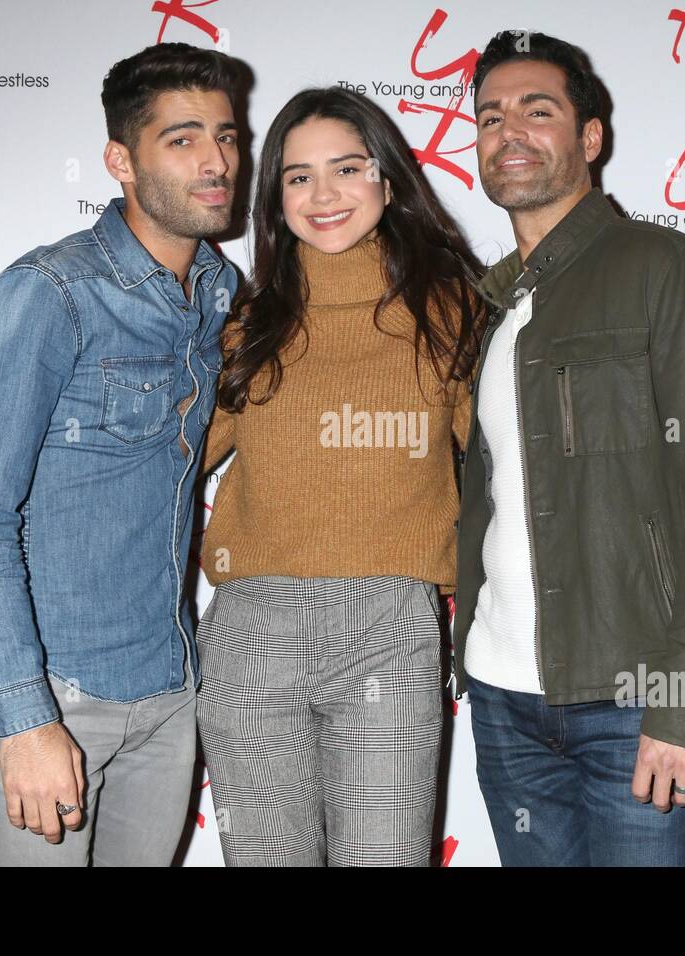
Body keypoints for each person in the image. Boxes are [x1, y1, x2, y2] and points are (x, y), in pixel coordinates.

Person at [454, 30, 685, 866]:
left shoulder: (671, 270)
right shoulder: (493, 308)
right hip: (504, 698)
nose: (509, 132)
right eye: (490, 118)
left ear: (589, 138)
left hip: (636, 703)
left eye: (537, 110)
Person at [0, 42, 244, 865]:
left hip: (168, 693)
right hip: (53, 695)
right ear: (120, 160)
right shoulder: (48, 293)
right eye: (181, 139)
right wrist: (26, 716)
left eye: (226, 135)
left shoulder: (219, 291)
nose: (216, 161)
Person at [194, 86, 486, 866]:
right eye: (298, 176)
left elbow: (508, 477)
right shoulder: (245, 327)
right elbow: (169, 464)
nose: (323, 195)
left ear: (387, 182)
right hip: (253, 630)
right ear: (275, 198)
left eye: (347, 168)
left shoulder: (452, 314)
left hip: (392, 629)